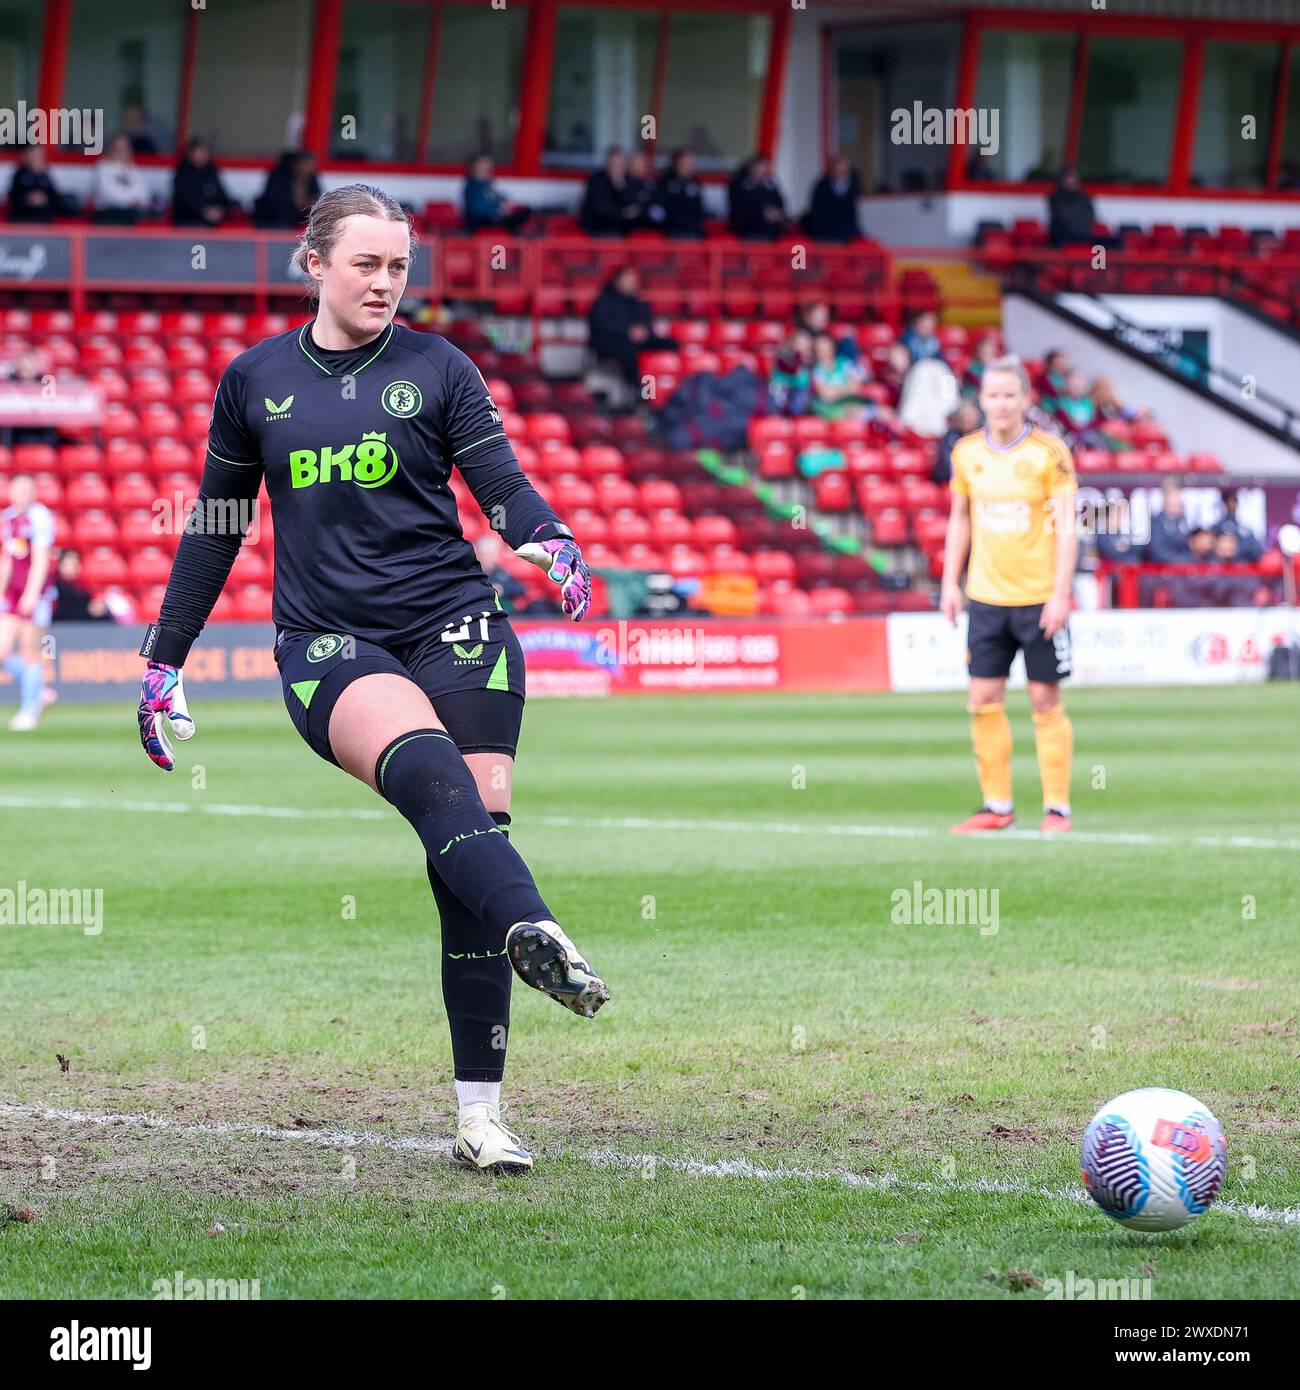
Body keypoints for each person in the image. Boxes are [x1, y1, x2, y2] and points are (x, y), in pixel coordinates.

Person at [135, 183, 609, 1174]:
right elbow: (218, 525)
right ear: (314, 265)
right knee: (434, 776)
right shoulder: (254, 379)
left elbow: (500, 484)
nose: (386, 282)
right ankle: (536, 927)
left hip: (459, 624)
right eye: (366, 264)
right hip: (329, 641)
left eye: (399, 266)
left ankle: (481, 1117)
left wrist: (548, 536)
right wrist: (164, 655)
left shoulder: (440, 365)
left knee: (467, 838)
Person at [940, 355, 1078, 834]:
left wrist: (1061, 593)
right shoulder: (966, 454)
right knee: (982, 698)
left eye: (1009, 395)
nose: (1000, 404)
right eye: (993, 395)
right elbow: (959, 517)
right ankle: (997, 805)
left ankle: (1056, 808)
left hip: (1039, 599)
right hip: (985, 598)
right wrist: (949, 583)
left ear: (1025, 399)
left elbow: (1066, 527)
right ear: (982, 399)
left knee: (1044, 701)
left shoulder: (1050, 453)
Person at [0, 474, 56, 732]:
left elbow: (41, 559)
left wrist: (32, 594)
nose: (22, 494)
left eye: (27, 489)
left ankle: (29, 710)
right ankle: (39, 692)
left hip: (38, 593)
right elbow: (8, 560)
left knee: (30, 651)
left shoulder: (40, 517)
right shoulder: (8, 518)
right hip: (13, 593)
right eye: (17, 489)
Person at [586, 265, 676, 388]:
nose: (632, 283)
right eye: (628, 279)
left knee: (670, 345)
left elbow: (647, 323)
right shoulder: (603, 301)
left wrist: (644, 332)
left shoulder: (638, 301)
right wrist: (628, 332)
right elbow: (601, 325)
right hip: (611, 343)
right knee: (631, 354)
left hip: (638, 342)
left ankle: (668, 388)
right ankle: (641, 391)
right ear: (617, 281)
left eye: (634, 280)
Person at [91, 133, 151, 225]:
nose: (121, 152)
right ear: (110, 150)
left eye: (124, 149)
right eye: (117, 149)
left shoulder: (134, 170)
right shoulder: (102, 168)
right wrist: (131, 201)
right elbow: (108, 195)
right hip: (107, 217)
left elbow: (144, 196)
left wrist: (132, 201)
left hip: (131, 216)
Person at [172, 138, 232, 228]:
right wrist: (204, 210)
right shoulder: (183, 172)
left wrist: (221, 210)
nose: (203, 155)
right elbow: (184, 199)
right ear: (190, 154)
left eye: (205, 152)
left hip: (211, 223)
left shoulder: (211, 170)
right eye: (200, 152)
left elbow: (222, 196)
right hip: (187, 223)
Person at [462, 155, 529, 234]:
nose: (485, 172)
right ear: (472, 170)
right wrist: (498, 209)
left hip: (492, 218)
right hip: (479, 222)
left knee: (525, 210)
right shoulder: (471, 188)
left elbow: (499, 197)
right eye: (481, 169)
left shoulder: (487, 186)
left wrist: (507, 203)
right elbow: (478, 209)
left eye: (487, 170)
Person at [254, 150, 320, 229]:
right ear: (296, 164)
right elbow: (280, 203)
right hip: (277, 220)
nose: (309, 168)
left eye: (311, 166)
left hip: (301, 220)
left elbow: (317, 201)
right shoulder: (278, 177)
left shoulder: (312, 178)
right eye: (306, 165)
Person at [804, 156, 862, 243]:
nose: (842, 175)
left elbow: (852, 210)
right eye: (839, 172)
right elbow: (817, 211)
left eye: (844, 172)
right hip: (825, 229)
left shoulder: (852, 184)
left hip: (846, 229)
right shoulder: (822, 185)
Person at [728, 155, 785, 240]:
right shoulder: (738, 185)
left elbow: (780, 203)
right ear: (752, 169)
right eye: (762, 167)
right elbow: (739, 209)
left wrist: (776, 213)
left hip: (771, 229)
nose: (766, 171)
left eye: (767, 168)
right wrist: (763, 213)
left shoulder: (771, 185)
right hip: (747, 228)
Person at [8, 145, 71, 223]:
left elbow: (55, 197)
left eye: (40, 154)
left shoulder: (45, 176)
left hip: (44, 219)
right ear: (27, 156)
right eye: (35, 154)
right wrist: (28, 199)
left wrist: (45, 198)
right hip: (23, 220)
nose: (38, 158)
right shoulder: (19, 175)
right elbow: (14, 198)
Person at [579, 146, 632, 236]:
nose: (616, 168)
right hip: (598, 229)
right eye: (613, 164)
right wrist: (623, 214)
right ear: (607, 163)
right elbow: (601, 210)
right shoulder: (596, 181)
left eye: (619, 165)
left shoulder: (628, 180)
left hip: (622, 230)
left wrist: (620, 186)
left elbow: (633, 204)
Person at [656, 148, 704, 238]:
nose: (689, 166)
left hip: (694, 233)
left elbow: (700, 209)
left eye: (691, 164)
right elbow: (658, 208)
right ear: (677, 163)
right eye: (686, 163)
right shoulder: (665, 182)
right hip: (672, 234)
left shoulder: (695, 183)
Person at [52, 548, 110, 622]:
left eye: (74, 565)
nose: (70, 569)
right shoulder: (54, 587)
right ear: (59, 565)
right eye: (67, 565)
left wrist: (95, 608)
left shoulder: (83, 589)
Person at [1047, 168, 1097, 248]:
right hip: (1061, 240)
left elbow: (1090, 218)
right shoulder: (1055, 198)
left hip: (1084, 237)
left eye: (1073, 178)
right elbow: (1062, 217)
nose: (1070, 181)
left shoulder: (1085, 198)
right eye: (1068, 178)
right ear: (1061, 181)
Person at [1147, 480, 1192, 563]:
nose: (1177, 501)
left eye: (1178, 496)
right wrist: (1178, 561)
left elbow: (1189, 546)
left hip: (1185, 569)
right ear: (1165, 500)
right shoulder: (1157, 523)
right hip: (1162, 570)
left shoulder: (1183, 521)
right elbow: (1157, 551)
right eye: (1173, 497)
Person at [1214, 489, 1263, 562]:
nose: (1231, 504)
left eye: (1234, 501)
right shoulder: (1215, 528)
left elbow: (1257, 551)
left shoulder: (1245, 530)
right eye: (1228, 501)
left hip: (1241, 566)